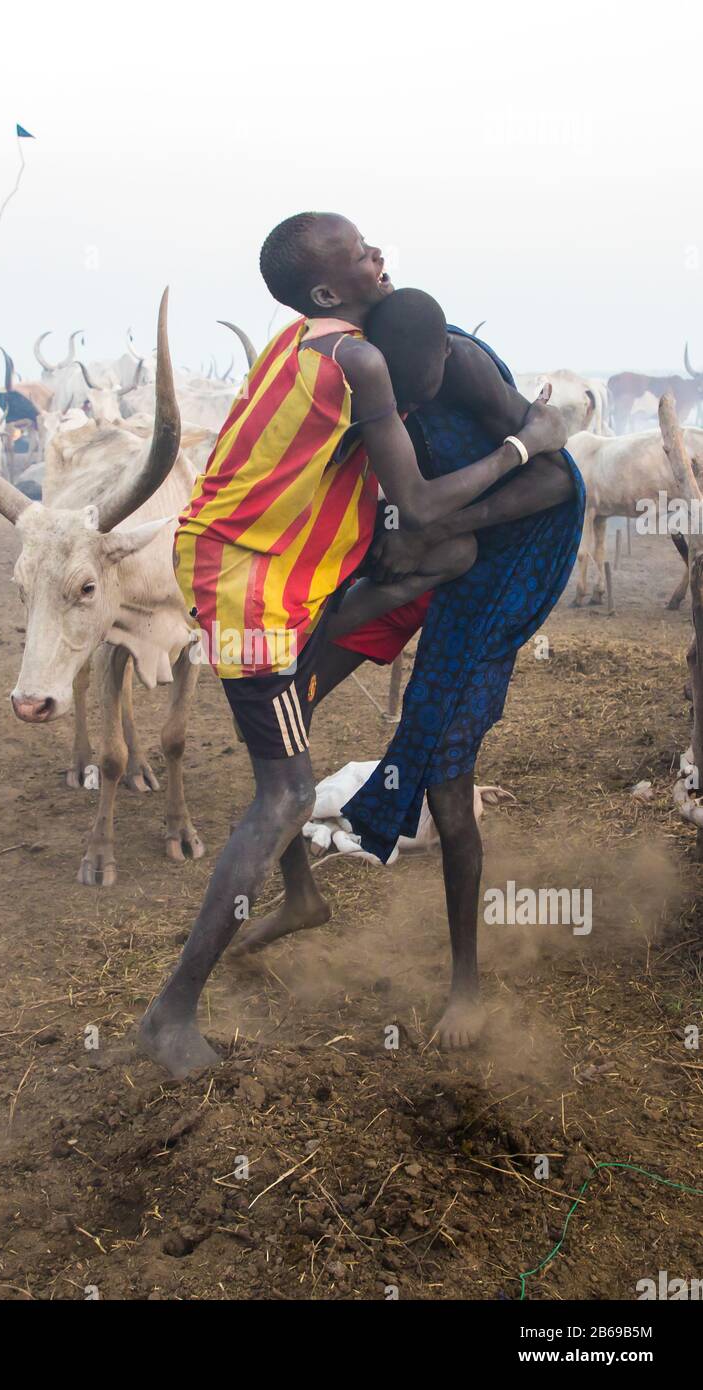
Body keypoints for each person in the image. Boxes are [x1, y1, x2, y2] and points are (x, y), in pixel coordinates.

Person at [139, 213, 566, 1077]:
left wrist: (407, 544)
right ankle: (169, 1014)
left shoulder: (302, 342)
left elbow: (443, 525)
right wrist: (526, 444)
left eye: (370, 241)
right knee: (287, 792)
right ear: (329, 291)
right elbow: (419, 493)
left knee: (434, 562)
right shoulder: (362, 360)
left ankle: (300, 897)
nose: (376, 251)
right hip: (251, 585)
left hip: (275, 563)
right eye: (357, 251)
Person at [233, 287, 586, 1049]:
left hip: (499, 566)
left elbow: (556, 478)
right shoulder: (346, 373)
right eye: (402, 389)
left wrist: (441, 525)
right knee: (279, 704)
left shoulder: (461, 369)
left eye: (423, 385)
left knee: (443, 775)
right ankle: (300, 898)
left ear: (444, 363)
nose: (413, 399)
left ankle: (465, 986)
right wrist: (412, 542)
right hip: (413, 559)